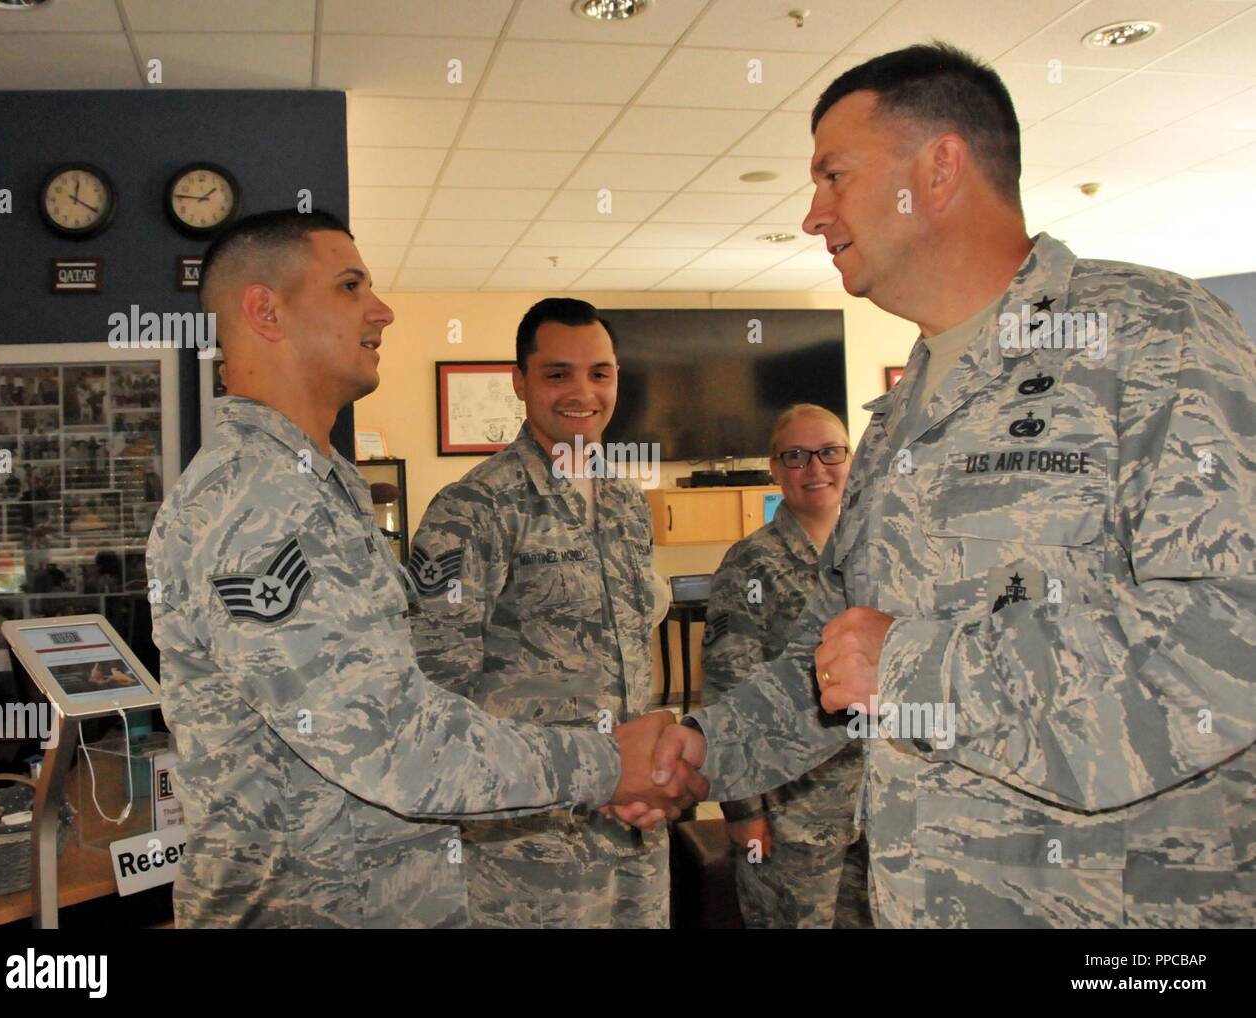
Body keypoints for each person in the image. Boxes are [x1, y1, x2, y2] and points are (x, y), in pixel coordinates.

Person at [634, 42, 1256, 928]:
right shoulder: (896, 421)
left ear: (938, 168)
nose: (813, 215)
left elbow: (1229, 647)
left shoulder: (1152, 337)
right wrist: (701, 750)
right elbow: (830, 659)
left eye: (834, 176)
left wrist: (919, 665)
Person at [146, 211, 703, 929]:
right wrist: (605, 763)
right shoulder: (257, 503)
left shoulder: (319, 488)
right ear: (265, 311)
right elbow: (393, 742)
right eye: (351, 287)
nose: (383, 311)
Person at [408, 297, 669, 928]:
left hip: (633, 825)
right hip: (528, 845)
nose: (583, 392)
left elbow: (634, 651)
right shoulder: (474, 507)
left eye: (599, 373)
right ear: (520, 382)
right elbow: (436, 688)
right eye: (558, 374)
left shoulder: (628, 502)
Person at [701, 404, 870, 929]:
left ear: (851, 459)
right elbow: (727, 691)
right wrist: (744, 811)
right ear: (774, 468)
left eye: (830, 453)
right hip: (791, 813)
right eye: (795, 456)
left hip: (880, 806)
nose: (815, 469)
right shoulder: (751, 564)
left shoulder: (877, 554)